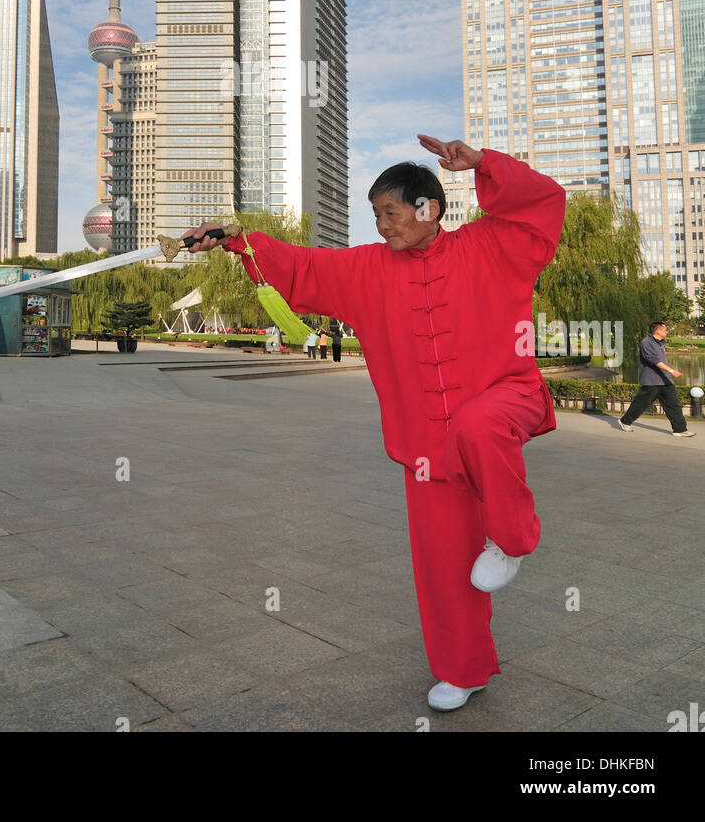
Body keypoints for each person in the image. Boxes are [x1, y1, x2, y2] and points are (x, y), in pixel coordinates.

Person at [186, 135, 566, 713]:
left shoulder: (493, 245)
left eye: (391, 213)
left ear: (427, 208)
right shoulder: (367, 268)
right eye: (376, 215)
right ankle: (464, 671)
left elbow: (544, 203)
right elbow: (304, 265)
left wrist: (486, 165)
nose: (383, 225)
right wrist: (235, 240)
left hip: (504, 396)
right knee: (442, 568)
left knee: (478, 423)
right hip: (426, 445)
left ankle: (512, 538)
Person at [618, 322, 694, 436]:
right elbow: (654, 361)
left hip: (665, 380)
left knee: (674, 405)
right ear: (658, 331)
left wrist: (668, 373)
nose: (667, 332)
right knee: (641, 404)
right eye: (665, 330)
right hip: (652, 380)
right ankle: (625, 421)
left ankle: (680, 429)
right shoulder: (646, 342)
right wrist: (672, 371)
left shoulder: (661, 344)